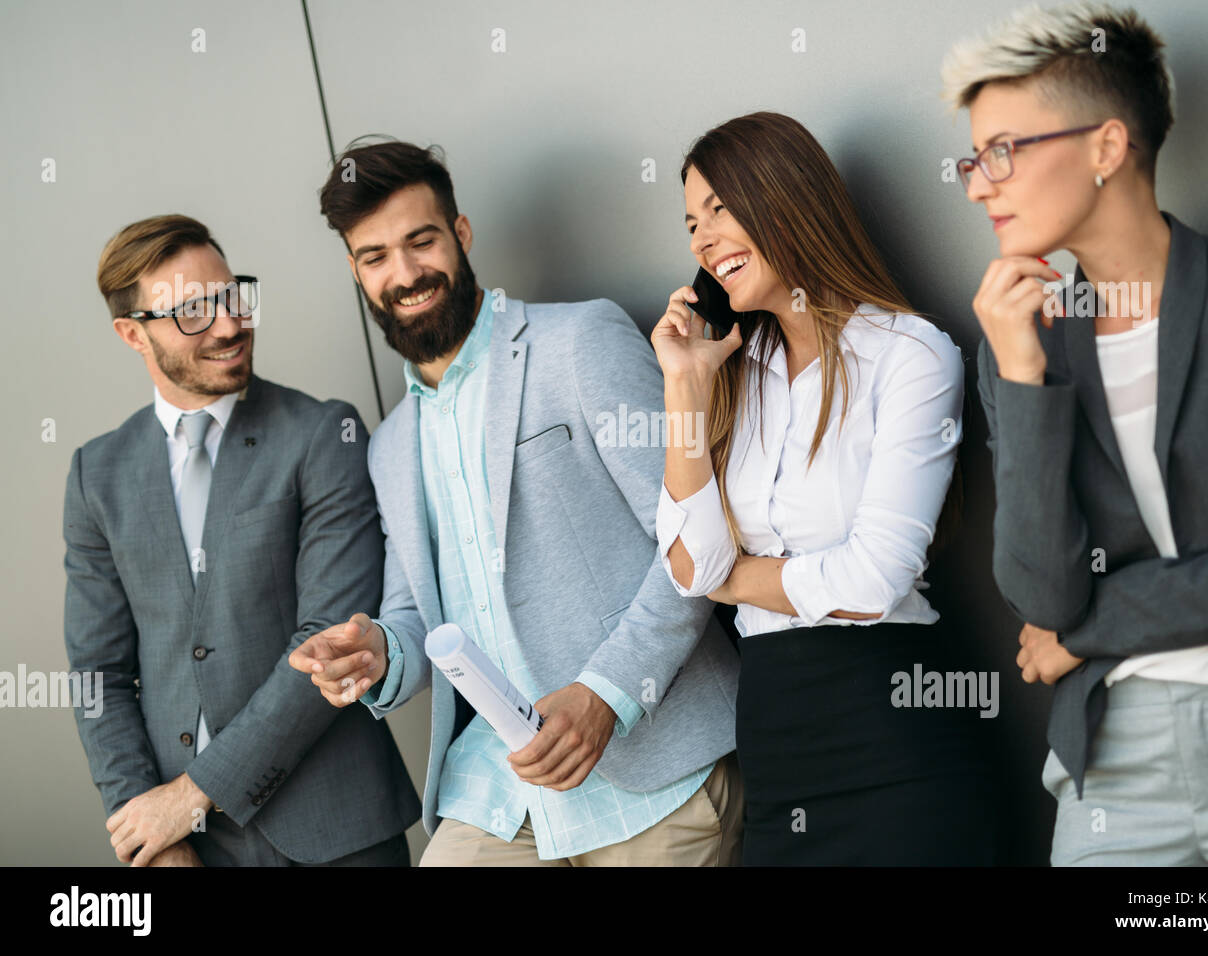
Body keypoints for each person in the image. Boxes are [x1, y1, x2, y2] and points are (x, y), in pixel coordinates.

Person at [290, 138, 743, 866]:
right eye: (375, 257)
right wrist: (379, 651)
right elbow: (415, 617)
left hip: (655, 771)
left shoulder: (580, 340)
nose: (404, 273)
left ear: (461, 233)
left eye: (421, 240)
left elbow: (695, 542)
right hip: (497, 795)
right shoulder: (389, 445)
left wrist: (606, 695)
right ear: (356, 272)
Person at [943, 1, 1208, 864]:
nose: (979, 183)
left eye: (1002, 152)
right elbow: (1043, 599)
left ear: (1106, 147)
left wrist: (1086, 633)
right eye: (971, 159)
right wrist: (1024, 376)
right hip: (1111, 760)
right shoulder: (1022, 343)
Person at [652, 111, 998, 865]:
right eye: (690, 223)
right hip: (775, 737)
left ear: (786, 196)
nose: (702, 240)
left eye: (719, 209)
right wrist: (685, 387)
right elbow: (685, 566)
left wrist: (731, 579)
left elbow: (873, 581)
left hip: (895, 725)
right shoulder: (729, 375)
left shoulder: (910, 354)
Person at [64, 214, 420, 866]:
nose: (229, 325)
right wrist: (147, 831)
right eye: (193, 312)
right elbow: (98, 675)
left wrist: (192, 794)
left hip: (337, 833)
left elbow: (324, 643)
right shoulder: (97, 475)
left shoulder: (322, 436)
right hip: (186, 846)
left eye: (232, 296)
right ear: (131, 334)